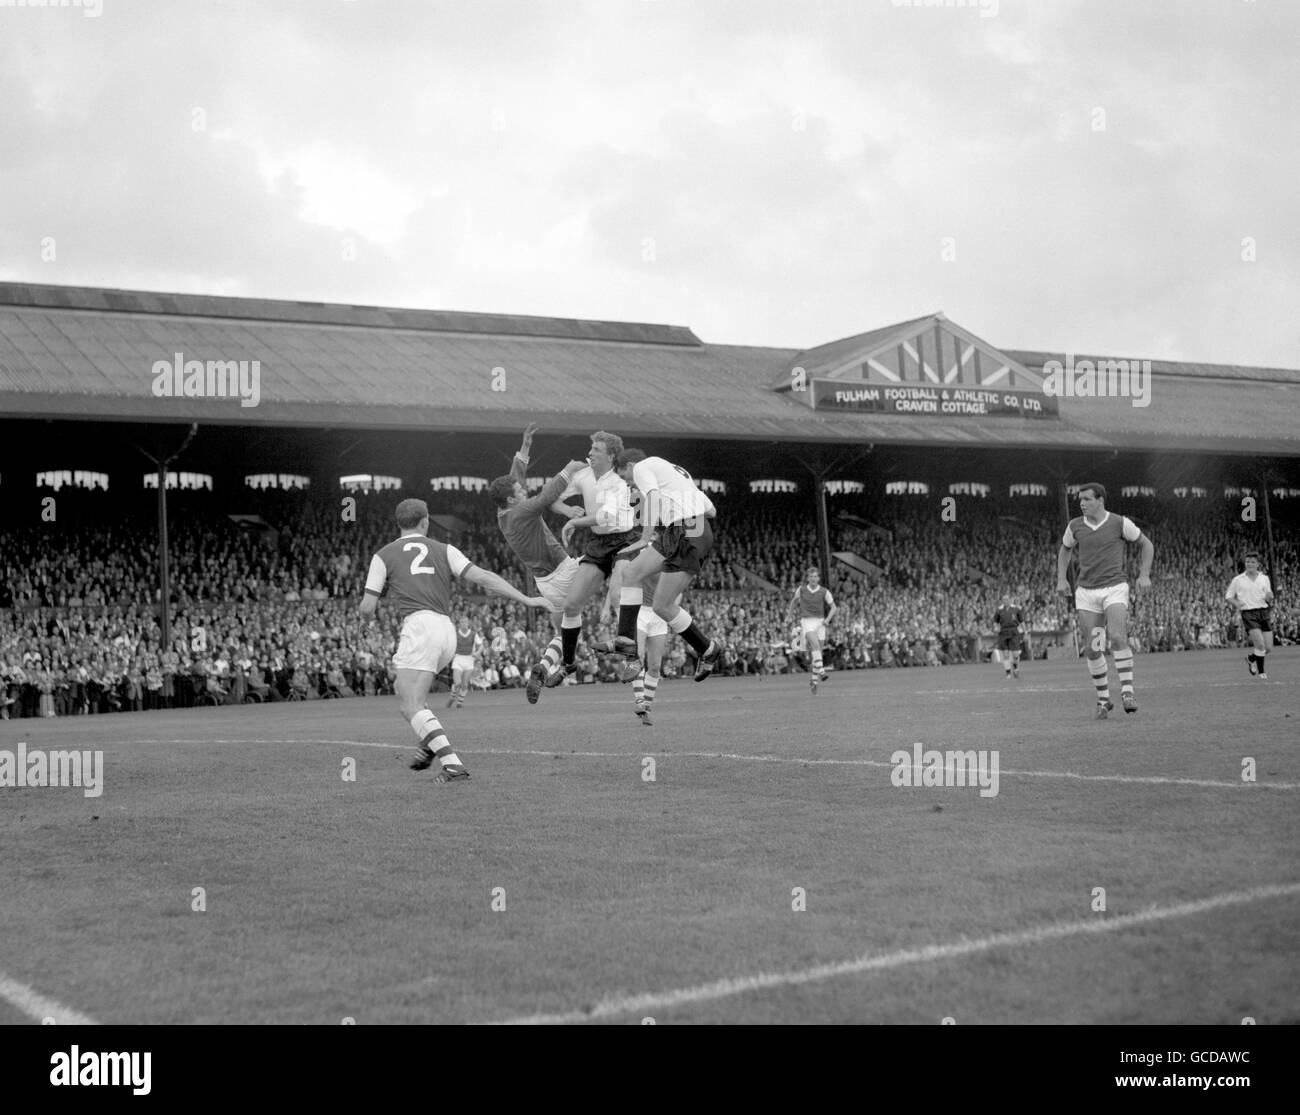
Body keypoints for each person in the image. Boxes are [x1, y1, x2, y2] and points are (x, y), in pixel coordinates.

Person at [360, 497, 549, 782]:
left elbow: (367, 606)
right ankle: (428, 744)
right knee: (407, 692)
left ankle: (452, 765)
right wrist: (525, 598)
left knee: (409, 705)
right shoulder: (444, 549)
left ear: (398, 523)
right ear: (425, 522)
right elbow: (484, 577)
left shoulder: (383, 555)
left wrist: (364, 622)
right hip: (445, 630)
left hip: (419, 628)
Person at [486, 422, 589, 702]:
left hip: (545, 584)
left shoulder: (505, 512)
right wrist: (569, 470)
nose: (523, 491)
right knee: (609, 558)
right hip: (563, 572)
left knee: (566, 631)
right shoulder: (520, 512)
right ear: (511, 499)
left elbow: (515, 475)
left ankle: (544, 667)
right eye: (520, 491)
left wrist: (526, 445)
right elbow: (547, 496)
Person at [611, 449, 724, 681]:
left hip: (687, 530)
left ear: (630, 465)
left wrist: (645, 537)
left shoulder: (643, 467)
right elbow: (711, 510)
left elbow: (651, 498)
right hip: (688, 528)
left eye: (625, 477)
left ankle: (707, 649)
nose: (629, 483)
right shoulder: (678, 474)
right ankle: (629, 647)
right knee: (632, 574)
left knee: (662, 605)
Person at [544, 430, 640, 686]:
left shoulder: (617, 483)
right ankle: (568, 664)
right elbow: (550, 496)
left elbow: (606, 517)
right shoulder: (584, 475)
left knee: (619, 596)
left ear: (610, 456)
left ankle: (632, 658)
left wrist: (574, 521)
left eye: (596, 450)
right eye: (591, 449)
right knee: (572, 604)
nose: (590, 453)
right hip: (599, 543)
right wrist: (566, 509)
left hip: (626, 540)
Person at [1055, 482, 1154, 718]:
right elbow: (1065, 549)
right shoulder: (1075, 525)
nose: (1082, 503)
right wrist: (1061, 578)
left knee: (1118, 637)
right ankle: (1103, 700)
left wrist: (1144, 574)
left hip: (1114, 588)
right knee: (1093, 648)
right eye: (1080, 500)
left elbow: (1146, 544)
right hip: (1087, 593)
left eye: (1087, 499)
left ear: (1100, 500)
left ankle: (1127, 692)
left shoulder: (1119, 522)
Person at [785, 565, 838, 694]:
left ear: (818, 578)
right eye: (811, 576)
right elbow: (793, 602)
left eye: (815, 576)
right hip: (807, 621)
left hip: (820, 622)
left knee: (817, 652)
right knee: (814, 645)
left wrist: (827, 620)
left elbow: (834, 607)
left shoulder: (824, 591)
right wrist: (789, 616)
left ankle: (814, 681)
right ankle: (822, 672)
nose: (813, 579)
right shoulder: (801, 590)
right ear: (808, 578)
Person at [1225, 551, 1275, 680]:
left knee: (1268, 648)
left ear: (1258, 564)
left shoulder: (1264, 578)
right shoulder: (1238, 579)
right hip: (1248, 613)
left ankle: (1251, 658)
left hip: (1264, 612)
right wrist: (1237, 604)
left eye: (1253, 562)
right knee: (1260, 645)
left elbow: (1268, 595)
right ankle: (1262, 673)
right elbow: (1228, 596)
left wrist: (1270, 596)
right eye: (1248, 562)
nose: (1250, 564)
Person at [448, 615, 480, 709]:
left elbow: (481, 646)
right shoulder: (455, 634)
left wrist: (477, 652)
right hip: (458, 658)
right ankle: (453, 697)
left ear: (468, 623)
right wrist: (451, 653)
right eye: (462, 622)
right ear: (459, 624)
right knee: (457, 683)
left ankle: (459, 702)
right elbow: (450, 644)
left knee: (465, 684)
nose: (464, 624)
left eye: (465, 622)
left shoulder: (474, 634)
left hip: (469, 659)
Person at [992, 596, 1025, 680]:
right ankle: (1008, 673)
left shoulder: (1016, 609)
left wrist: (1025, 632)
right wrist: (996, 627)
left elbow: (1022, 621)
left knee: (1015, 654)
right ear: (1002, 601)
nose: (1006, 601)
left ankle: (1016, 667)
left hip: (1013, 632)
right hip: (1003, 633)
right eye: (1004, 600)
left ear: (1010, 600)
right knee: (1005, 654)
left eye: (1007, 599)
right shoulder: (999, 610)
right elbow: (995, 621)